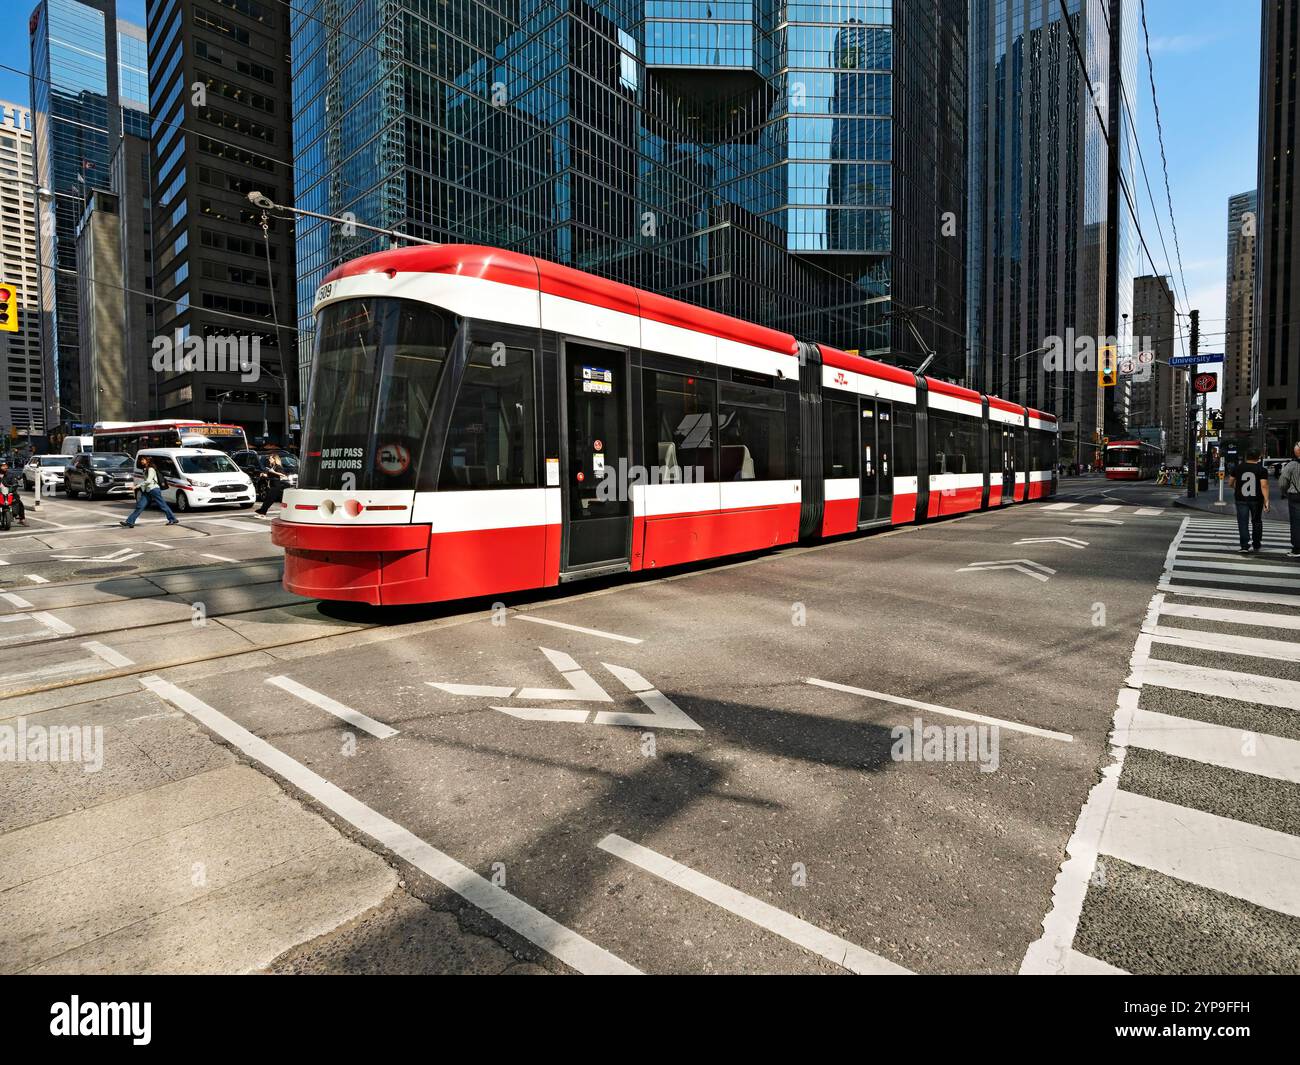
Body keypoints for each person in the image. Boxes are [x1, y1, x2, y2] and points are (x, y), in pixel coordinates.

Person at [1229, 447, 1270, 553]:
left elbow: (1230, 483)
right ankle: (1256, 544)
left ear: (1247, 456)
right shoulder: (1262, 469)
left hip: (1241, 499)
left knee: (1242, 522)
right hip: (1256, 500)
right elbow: (1264, 485)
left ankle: (1244, 545)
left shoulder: (1238, 468)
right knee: (1256, 521)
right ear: (1258, 457)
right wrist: (1266, 500)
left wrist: (1236, 488)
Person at [119, 457, 179, 528]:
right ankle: (130, 522)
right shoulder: (145, 469)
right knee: (140, 506)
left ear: (147, 461)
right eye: (141, 460)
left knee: (162, 505)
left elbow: (149, 481)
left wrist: (136, 486)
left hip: (154, 489)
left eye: (142, 459)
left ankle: (173, 519)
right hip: (147, 490)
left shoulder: (151, 469)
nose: (141, 461)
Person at [1280, 441, 1300, 558]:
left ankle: (1297, 549)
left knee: (1296, 522)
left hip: (1295, 495)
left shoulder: (1292, 465)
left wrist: (1285, 492)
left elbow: (1283, 482)